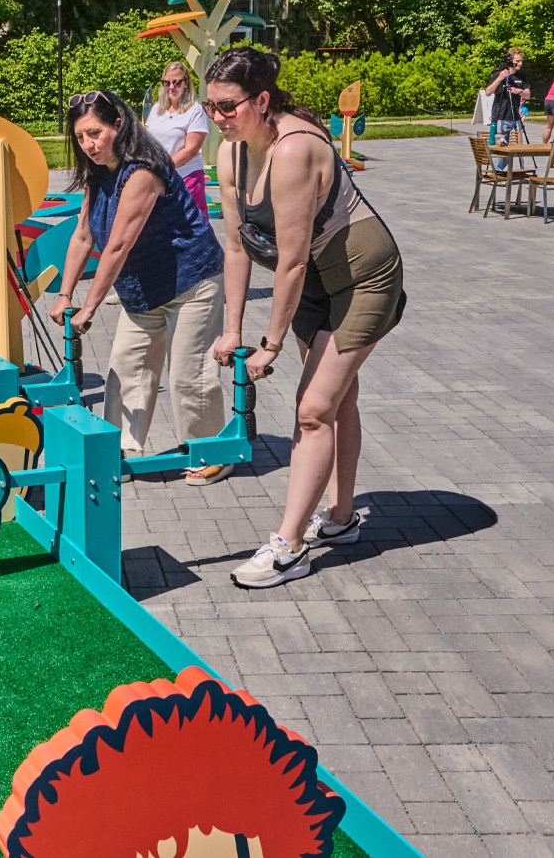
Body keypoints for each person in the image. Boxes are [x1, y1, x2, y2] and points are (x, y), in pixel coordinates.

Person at [205, 47, 406, 589]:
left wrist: (269, 344)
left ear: (261, 100)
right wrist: (232, 329)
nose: (218, 117)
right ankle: (340, 519)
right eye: (210, 107)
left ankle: (290, 546)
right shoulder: (230, 153)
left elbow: (290, 261)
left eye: (227, 106)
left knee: (313, 410)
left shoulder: (294, 150)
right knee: (338, 399)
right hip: (315, 281)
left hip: (364, 277)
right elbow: (237, 246)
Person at [52, 90, 231, 485]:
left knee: (189, 375)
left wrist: (89, 307)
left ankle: (212, 450)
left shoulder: (143, 170)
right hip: (144, 290)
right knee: (125, 370)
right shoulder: (98, 172)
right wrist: (65, 294)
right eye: (80, 137)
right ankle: (118, 449)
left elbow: (118, 245)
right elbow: (83, 236)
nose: (88, 145)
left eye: (95, 133)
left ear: (117, 125)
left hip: (191, 282)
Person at [145, 62, 212, 216]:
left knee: (191, 225)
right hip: (160, 179)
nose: (171, 87)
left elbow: (191, 150)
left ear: (186, 83)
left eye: (177, 82)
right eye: (166, 83)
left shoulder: (195, 111)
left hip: (186, 178)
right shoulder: (156, 109)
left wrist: (163, 169)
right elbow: (147, 140)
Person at [486, 48, 529, 169]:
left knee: (516, 148)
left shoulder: (521, 76)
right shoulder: (499, 73)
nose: (520, 64)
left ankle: (505, 171)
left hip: (515, 117)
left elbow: (528, 95)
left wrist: (519, 91)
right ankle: (497, 172)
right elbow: (488, 92)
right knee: (501, 148)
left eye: (521, 61)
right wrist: (500, 78)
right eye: (517, 61)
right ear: (510, 61)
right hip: (501, 117)